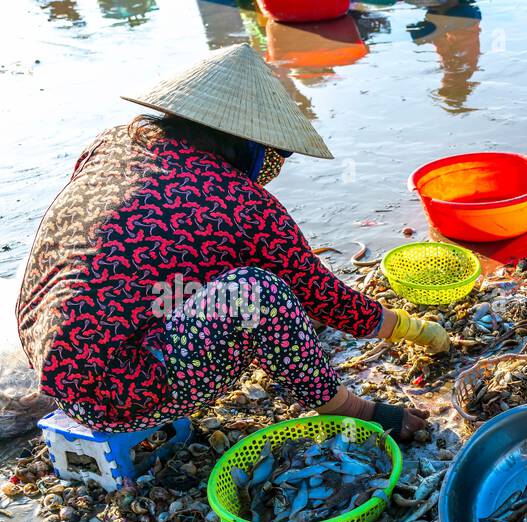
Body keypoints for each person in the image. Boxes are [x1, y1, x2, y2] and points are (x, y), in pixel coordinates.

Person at [16, 43, 444, 441]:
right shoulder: (242, 202)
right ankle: (350, 408)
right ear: (245, 143)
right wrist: (417, 331)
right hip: (119, 399)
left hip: (49, 352)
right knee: (259, 292)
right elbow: (325, 298)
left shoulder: (112, 143)